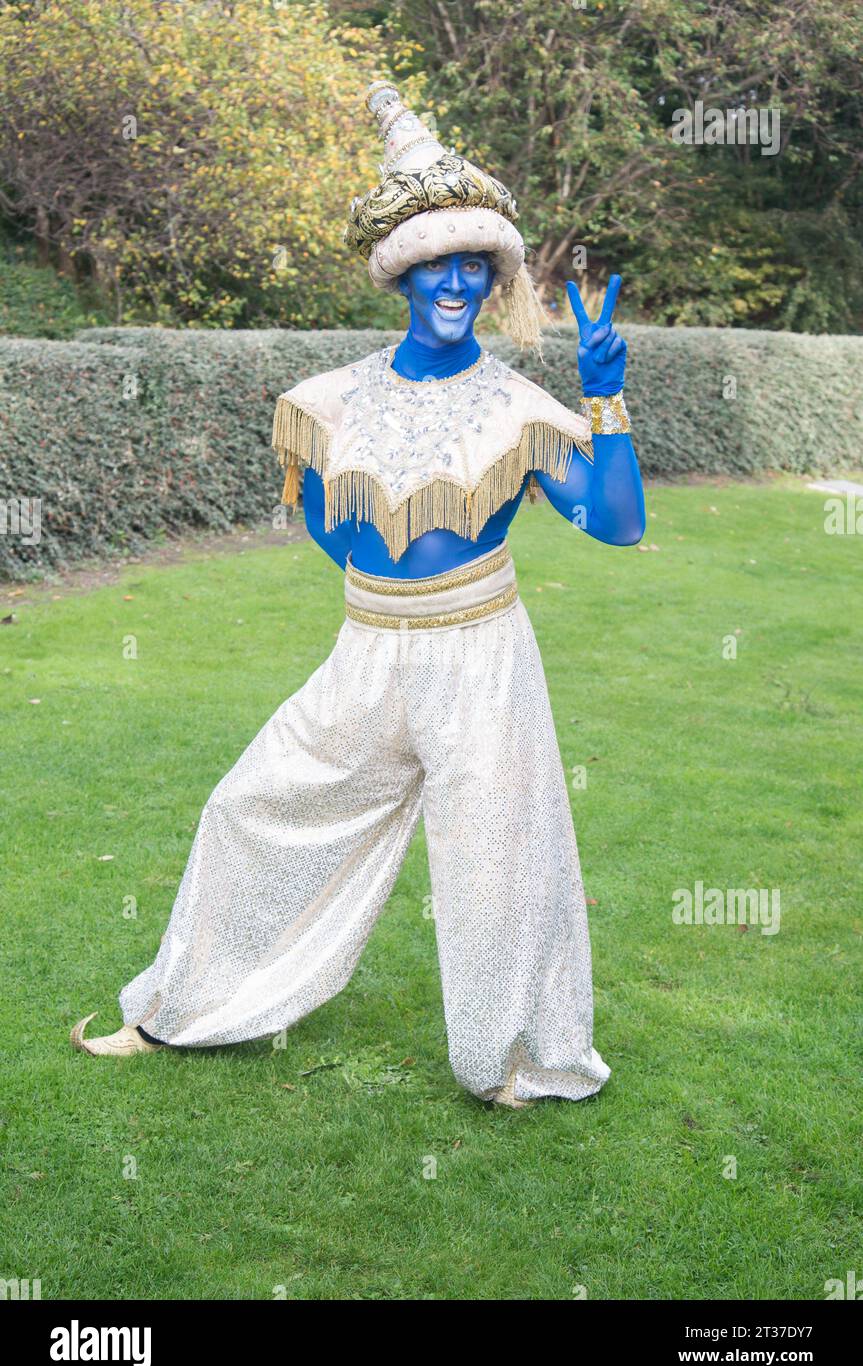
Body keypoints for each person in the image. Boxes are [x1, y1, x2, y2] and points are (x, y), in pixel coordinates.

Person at [71, 82, 645, 1108]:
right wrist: (386, 598)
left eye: (476, 262)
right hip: (367, 653)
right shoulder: (327, 402)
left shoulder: (521, 405)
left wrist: (603, 399)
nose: (458, 281)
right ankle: (179, 1010)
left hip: (483, 656)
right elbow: (339, 536)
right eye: (438, 264)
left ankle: (513, 1059)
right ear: (403, 276)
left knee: (498, 866)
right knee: (250, 805)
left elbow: (616, 523)